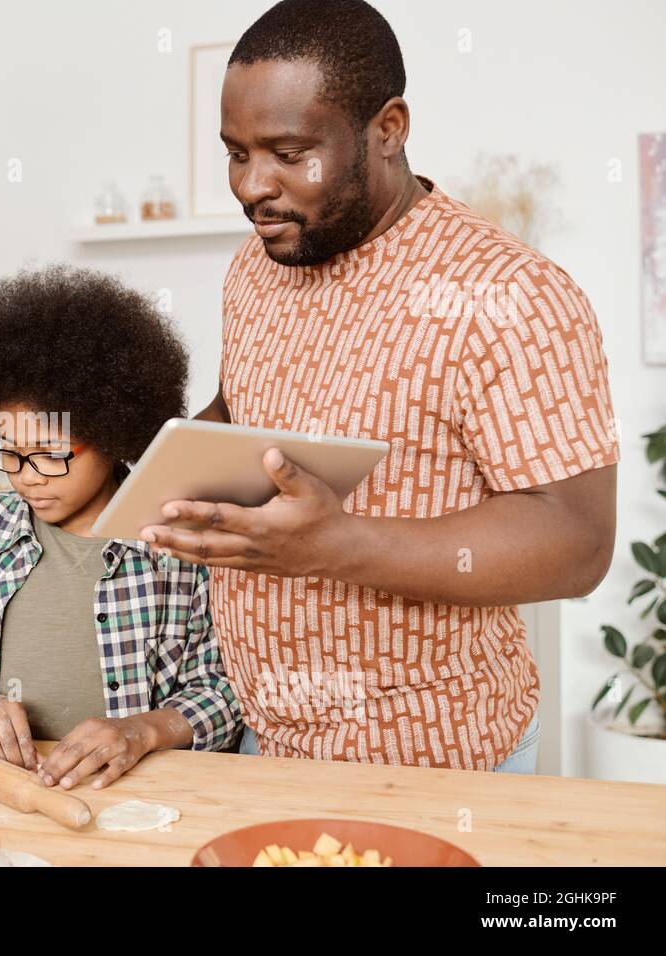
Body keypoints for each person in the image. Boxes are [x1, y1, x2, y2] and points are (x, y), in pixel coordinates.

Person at [142, 0, 618, 772]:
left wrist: (339, 546)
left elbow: (577, 540)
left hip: (440, 762)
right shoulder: (254, 268)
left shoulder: (510, 292)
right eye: (236, 153)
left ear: (388, 128)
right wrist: (168, 473)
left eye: (290, 153)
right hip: (263, 740)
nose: (253, 186)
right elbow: (241, 410)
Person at [0, 265, 241, 791]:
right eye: (9, 451)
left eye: (51, 454)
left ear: (112, 430)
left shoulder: (180, 541)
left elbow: (223, 690)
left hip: (140, 792)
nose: (27, 477)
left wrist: (141, 731)